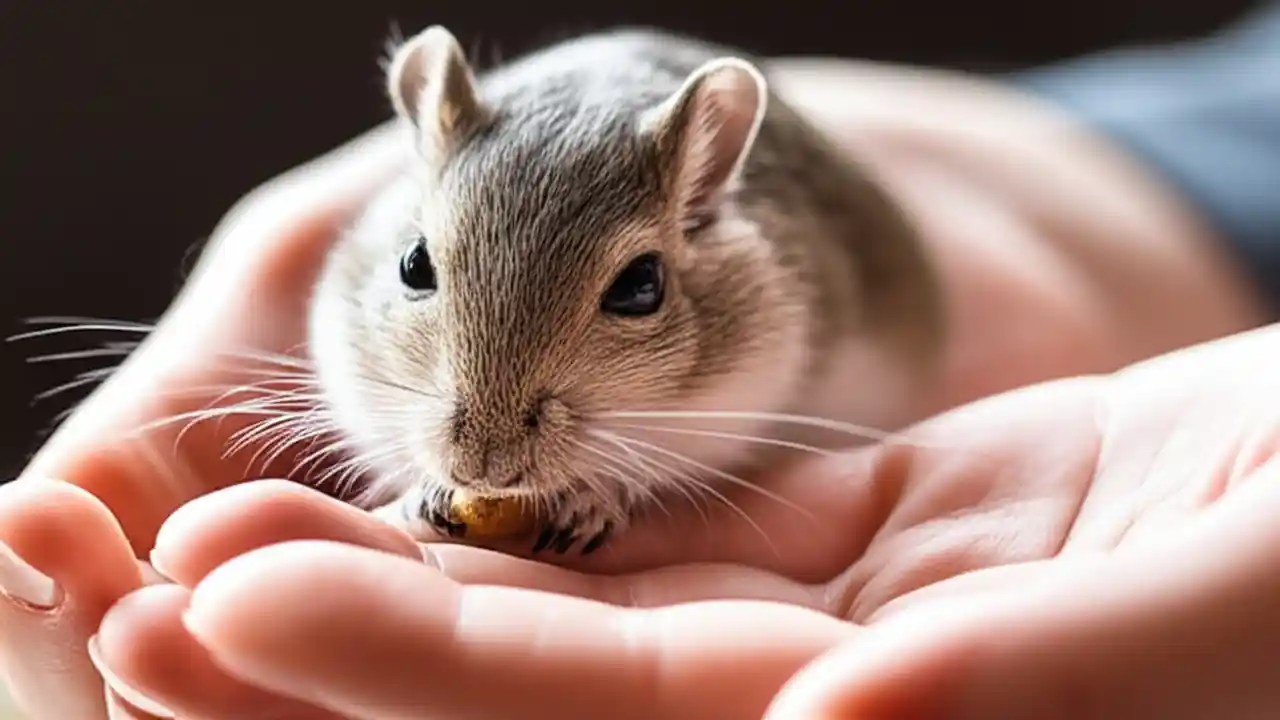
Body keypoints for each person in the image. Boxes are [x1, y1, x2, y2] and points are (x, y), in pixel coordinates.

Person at [1, 3, 1279, 718]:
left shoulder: (741, 279)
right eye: (420, 276)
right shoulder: (371, 246)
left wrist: (634, 477)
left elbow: (752, 392)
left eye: (628, 294)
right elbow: (405, 368)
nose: (479, 438)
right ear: (419, 142)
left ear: (703, 194)